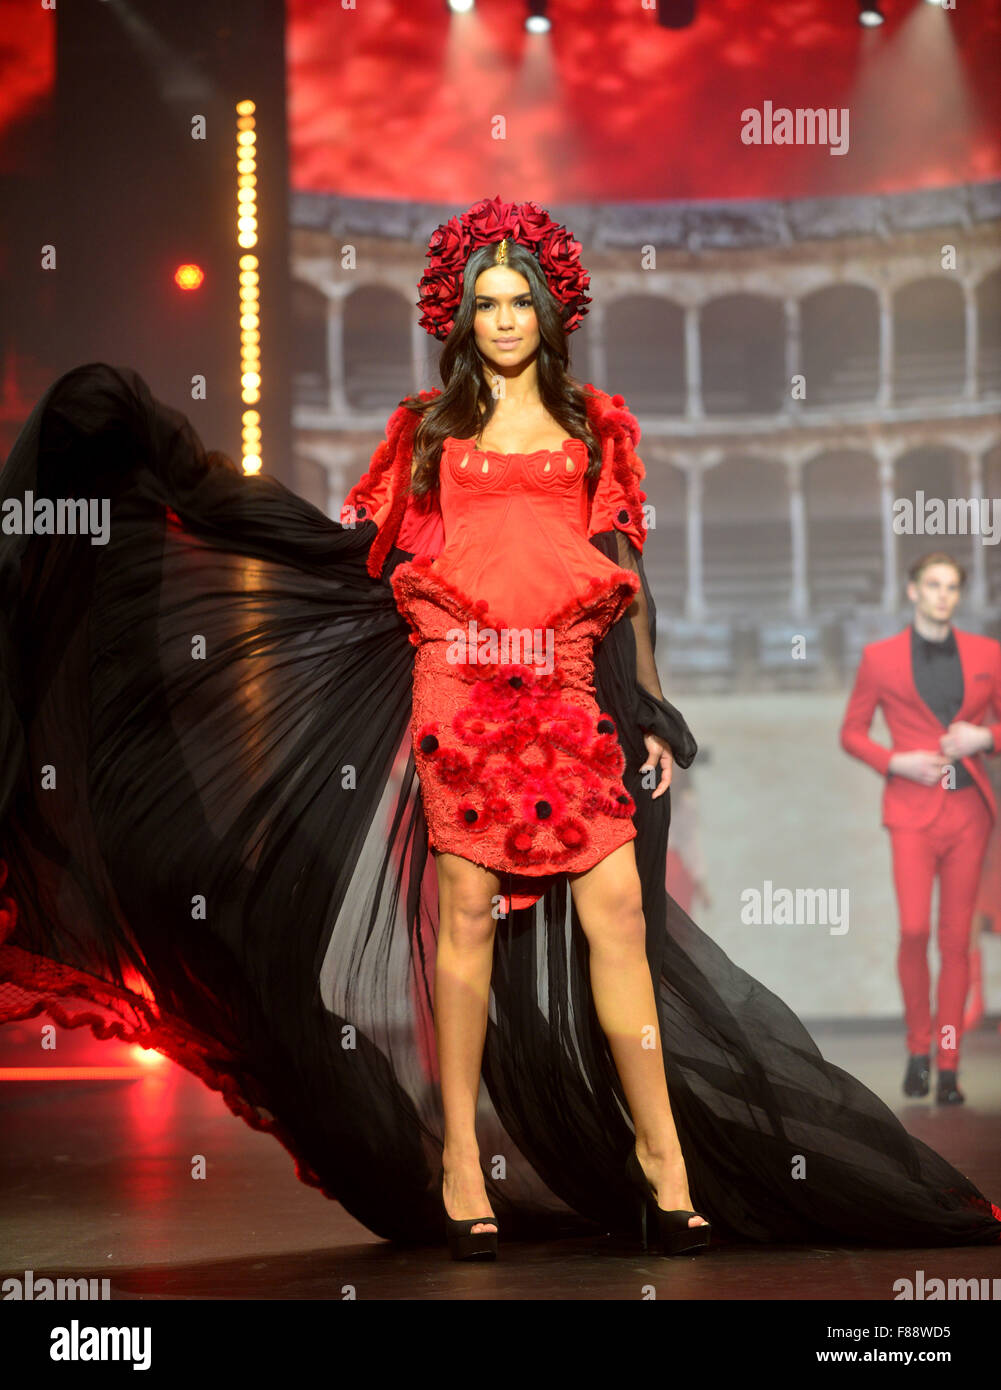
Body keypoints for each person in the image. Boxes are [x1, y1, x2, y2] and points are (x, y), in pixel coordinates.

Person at [1, 197, 999, 1264]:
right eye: (486, 302)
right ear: (460, 315)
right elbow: (368, 563)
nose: (504, 318)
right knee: (465, 925)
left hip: (569, 689)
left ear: (549, 311)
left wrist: (649, 709)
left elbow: (626, 579)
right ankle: (458, 1162)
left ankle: (664, 1159)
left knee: (619, 918)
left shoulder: (591, 432)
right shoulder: (427, 436)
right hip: (461, 691)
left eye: (520, 300)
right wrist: (198, 487)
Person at [840, 553, 1001, 1106]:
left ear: (958, 595)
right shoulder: (879, 658)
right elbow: (853, 732)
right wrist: (894, 762)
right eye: (932, 585)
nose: (942, 595)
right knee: (914, 931)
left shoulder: (987, 654)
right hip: (910, 809)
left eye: (951, 587)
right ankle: (917, 1046)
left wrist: (986, 739)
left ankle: (949, 1063)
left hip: (968, 814)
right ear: (912, 591)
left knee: (956, 941)